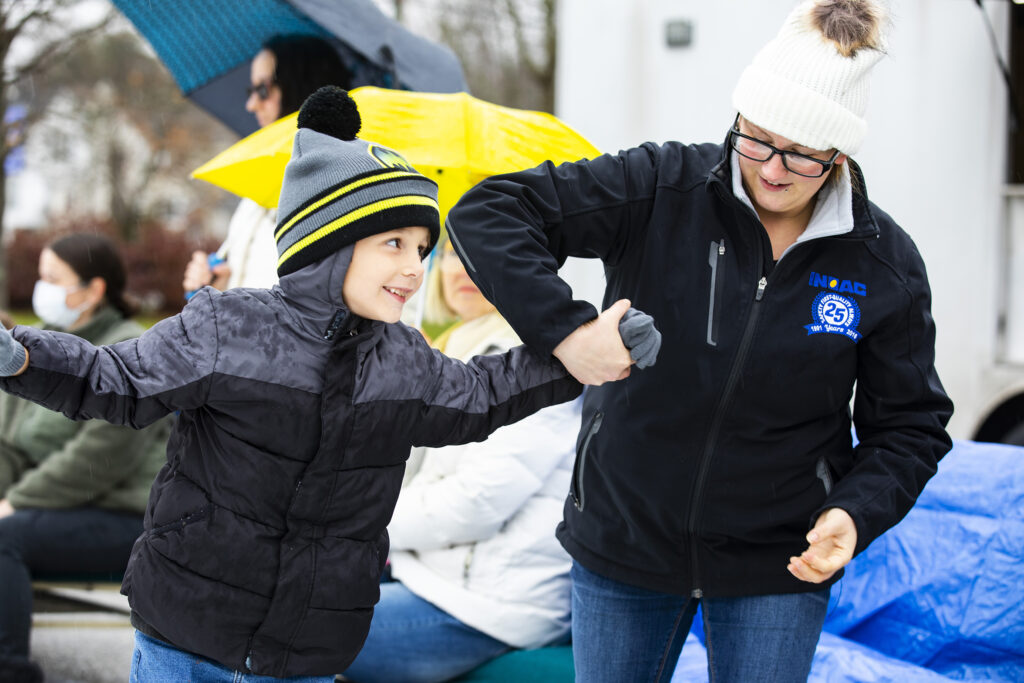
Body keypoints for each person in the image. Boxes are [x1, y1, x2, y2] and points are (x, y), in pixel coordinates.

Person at [0, 88, 653, 681]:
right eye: (392, 244)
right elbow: (113, 379)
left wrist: (579, 353)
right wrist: (21, 355)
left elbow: (483, 392)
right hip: (186, 629)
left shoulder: (406, 359)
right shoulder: (228, 327)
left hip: (305, 647)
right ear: (329, 243)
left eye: (421, 248)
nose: (412, 268)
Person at [446, 1, 954, 681]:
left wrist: (856, 512)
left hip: (775, 564)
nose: (772, 168)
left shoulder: (882, 263)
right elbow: (491, 212)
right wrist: (565, 331)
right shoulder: (660, 187)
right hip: (622, 542)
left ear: (839, 154)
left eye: (802, 154)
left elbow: (911, 426)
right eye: (757, 137)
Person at [341, 235, 579, 683]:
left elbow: (476, 503)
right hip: (426, 574)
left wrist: (359, 519)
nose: (463, 269)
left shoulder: (540, 367)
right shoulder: (451, 350)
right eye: (453, 254)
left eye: (484, 253)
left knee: (293, 630)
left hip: (489, 605)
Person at [0, 234, 170, 682]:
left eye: (53, 279)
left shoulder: (131, 350)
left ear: (94, 289)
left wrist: (14, 501)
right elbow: (11, 444)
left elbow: (100, 459)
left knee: (5, 538)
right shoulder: (42, 345)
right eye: (41, 276)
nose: (42, 287)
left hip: (124, 517)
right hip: (56, 506)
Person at [182, 34, 351, 294]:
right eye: (251, 91)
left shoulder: (346, 197)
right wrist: (215, 288)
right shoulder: (256, 196)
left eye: (263, 90)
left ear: (302, 89)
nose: (251, 104)